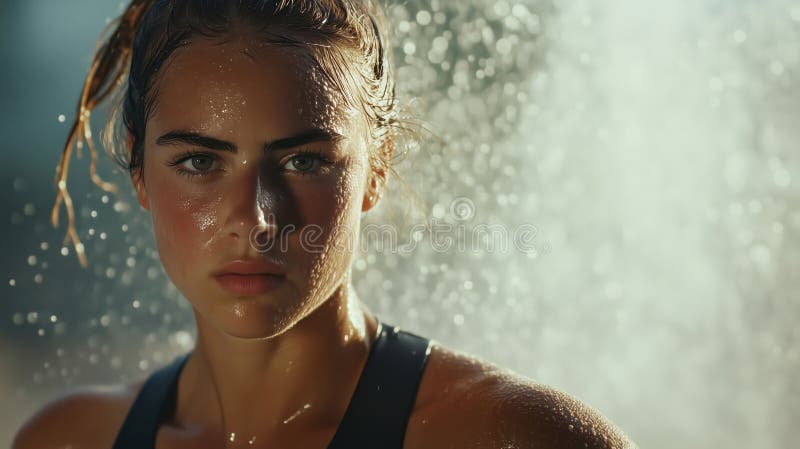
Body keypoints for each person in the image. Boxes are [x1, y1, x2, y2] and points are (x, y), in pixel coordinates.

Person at [13, 1, 637, 448]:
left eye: (304, 160)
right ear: (140, 171)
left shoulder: (511, 437)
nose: (257, 221)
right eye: (199, 161)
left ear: (377, 168)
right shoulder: (67, 439)